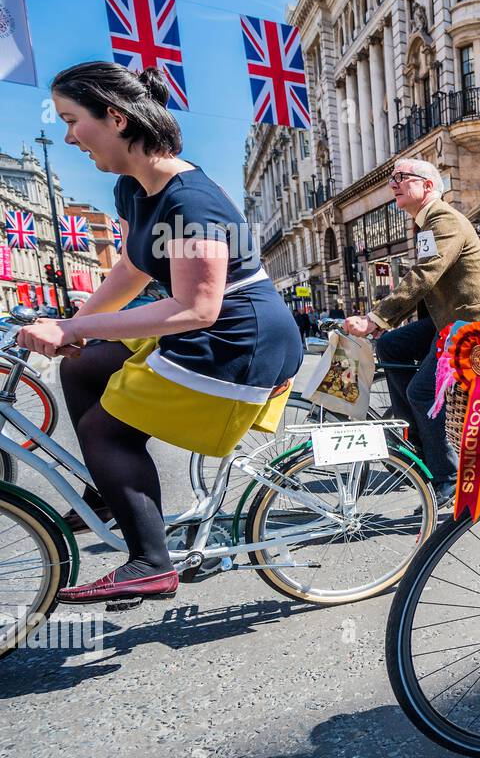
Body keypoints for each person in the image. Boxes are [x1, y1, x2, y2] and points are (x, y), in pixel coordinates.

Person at [17, 61, 302, 604]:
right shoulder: (134, 188)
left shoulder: (189, 201)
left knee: (107, 431)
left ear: (117, 119)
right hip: (214, 324)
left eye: (72, 119)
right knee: (80, 363)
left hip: (239, 337)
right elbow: (132, 269)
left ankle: (150, 563)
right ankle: (110, 494)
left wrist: (74, 324)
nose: (69, 136)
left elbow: (197, 308)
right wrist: (71, 330)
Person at [342, 158, 480, 506]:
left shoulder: (442, 218)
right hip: (448, 320)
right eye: (392, 179)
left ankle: (447, 478)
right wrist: (385, 328)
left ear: (428, 186)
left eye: (401, 178)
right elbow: (429, 288)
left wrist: (375, 318)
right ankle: (417, 443)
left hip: (476, 323)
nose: (393, 184)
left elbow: (425, 275)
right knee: (391, 346)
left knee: (421, 392)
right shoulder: (426, 223)